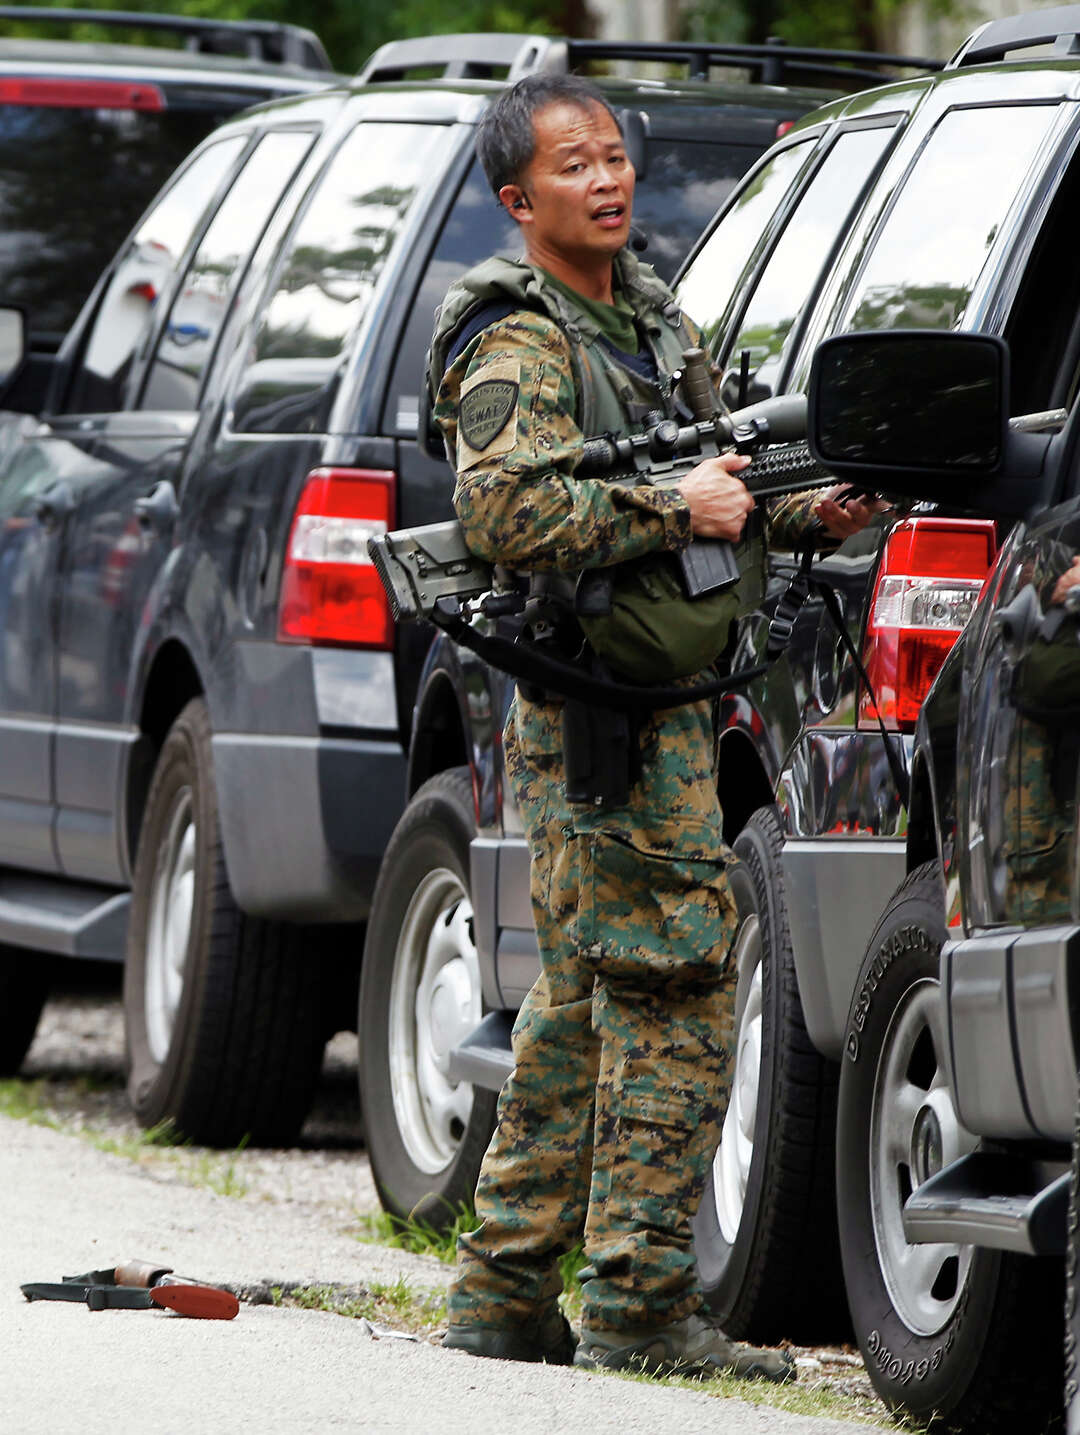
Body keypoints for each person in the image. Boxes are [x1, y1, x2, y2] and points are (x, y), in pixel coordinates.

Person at [428, 72, 876, 1379]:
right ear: (519, 201)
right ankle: (636, 1307)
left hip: (653, 703)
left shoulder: (648, 314)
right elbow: (511, 516)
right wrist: (679, 515)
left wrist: (800, 515)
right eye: (574, 166)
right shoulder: (522, 335)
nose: (609, 180)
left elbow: (708, 477)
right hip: (603, 714)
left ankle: (506, 1290)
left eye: (615, 156)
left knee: (575, 1000)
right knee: (678, 990)